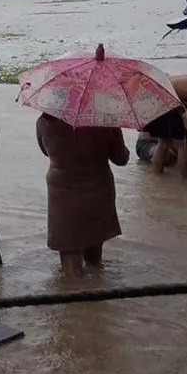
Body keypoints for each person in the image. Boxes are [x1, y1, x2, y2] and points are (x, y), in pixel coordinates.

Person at [36, 112, 130, 277]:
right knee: (95, 262)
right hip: (98, 189)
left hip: (62, 193)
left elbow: (46, 151)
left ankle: (75, 300)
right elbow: (121, 159)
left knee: (70, 265)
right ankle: (98, 299)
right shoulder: (105, 119)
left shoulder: (45, 121)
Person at [136, 106, 187, 178]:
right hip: (173, 108)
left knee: (162, 144)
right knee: (183, 144)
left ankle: (156, 177)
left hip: (155, 108)